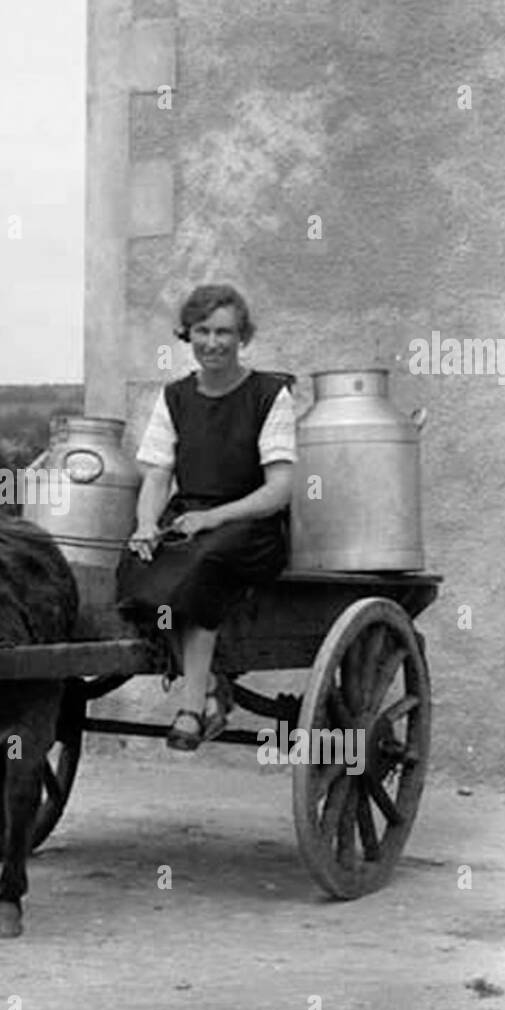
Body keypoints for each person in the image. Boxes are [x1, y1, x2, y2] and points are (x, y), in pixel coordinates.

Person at [116, 283, 296, 750]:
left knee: (201, 566)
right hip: (191, 520)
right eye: (202, 331)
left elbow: (279, 490)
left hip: (251, 526)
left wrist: (214, 518)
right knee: (139, 563)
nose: (212, 343)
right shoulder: (174, 397)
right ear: (187, 334)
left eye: (224, 332)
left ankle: (193, 708)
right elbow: (158, 475)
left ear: (243, 337)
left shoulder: (269, 395)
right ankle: (214, 688)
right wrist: (145, 525)